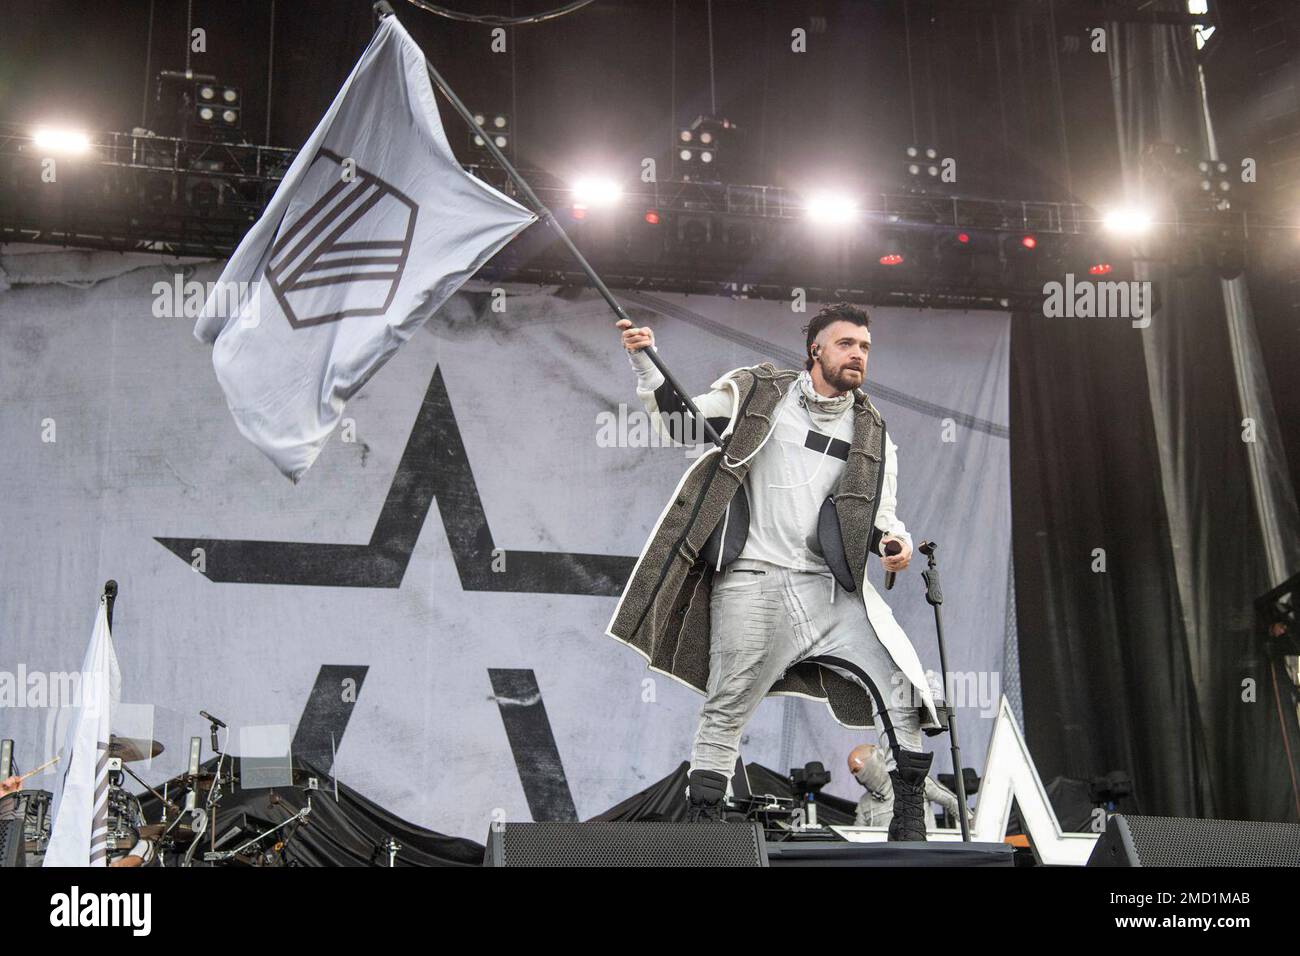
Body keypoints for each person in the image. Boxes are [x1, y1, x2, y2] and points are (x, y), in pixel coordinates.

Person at [606, 302, 942, 840]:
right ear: (817, 349)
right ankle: (704, 827)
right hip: (755, 581)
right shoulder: (761, 392)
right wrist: (647, 362)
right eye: (846, 344)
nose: (858, 355)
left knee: (903, 689)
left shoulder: (874, 432)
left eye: (864, 347)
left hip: (834, 592)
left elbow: (880, 517)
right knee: (727, 705)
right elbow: (682, 420)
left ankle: (908, 818)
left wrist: (894, 543)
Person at [848, 743, 970, 830]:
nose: (856, 775)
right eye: (853, 772)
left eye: (857, 769)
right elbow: (856, 837)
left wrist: (971, 834)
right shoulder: (865, 803)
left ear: (873, 763)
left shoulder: (915, 781)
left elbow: (952, 802)